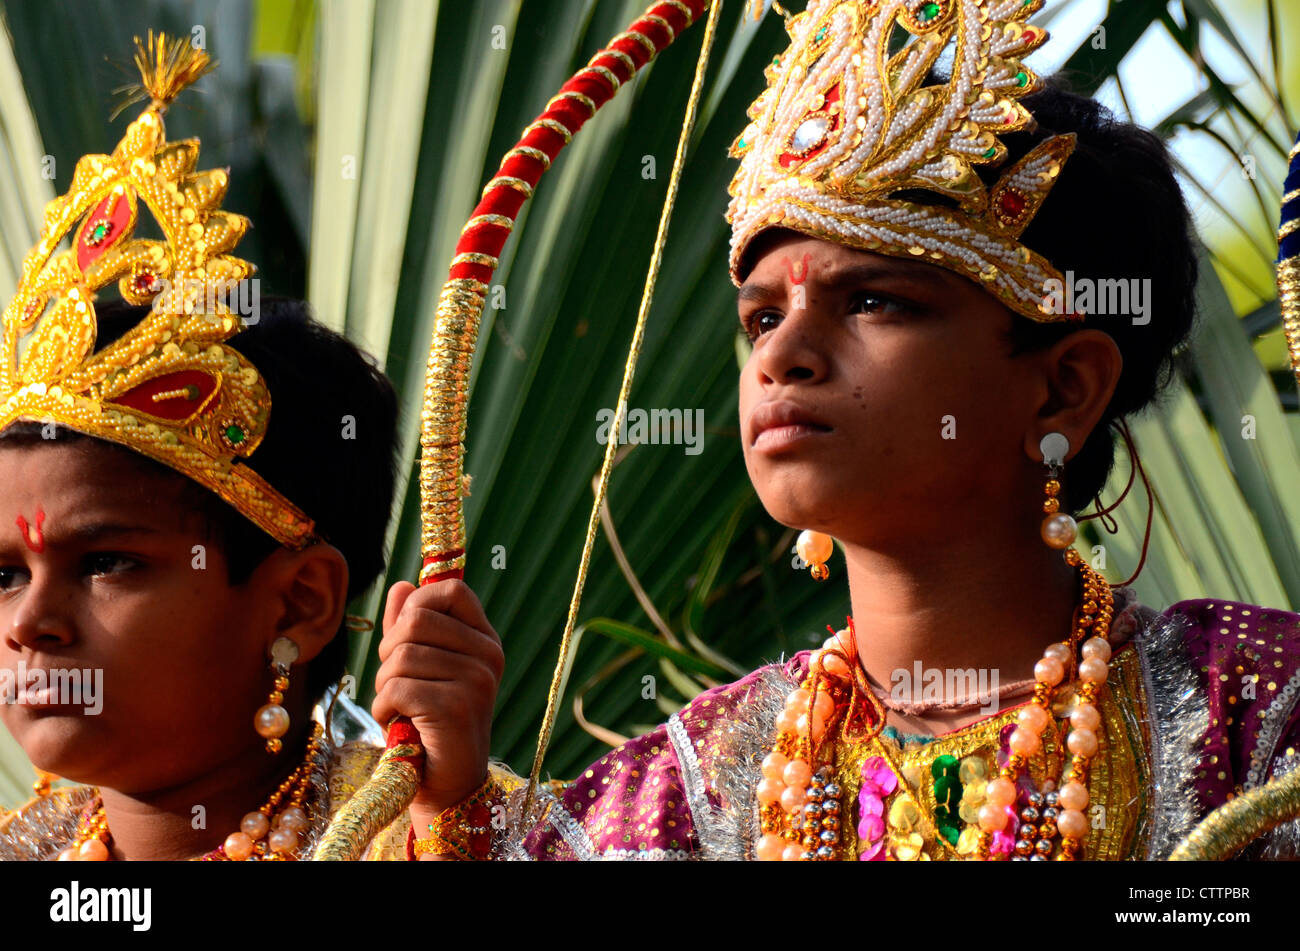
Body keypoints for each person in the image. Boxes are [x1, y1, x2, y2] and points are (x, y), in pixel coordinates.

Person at [376, 0, 1300, 860]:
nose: (785, 358)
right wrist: (453, 804)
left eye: (874, 301)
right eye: (762, 318)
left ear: (1062, 391)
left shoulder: (1251, 718)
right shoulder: (691, 786)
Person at [0, 34, 505, 861]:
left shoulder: (448, 834)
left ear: (299, 603)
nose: (30, 622)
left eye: (107, 562)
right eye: (4, 575)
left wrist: (456, 829)